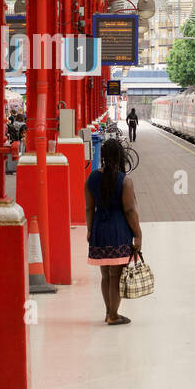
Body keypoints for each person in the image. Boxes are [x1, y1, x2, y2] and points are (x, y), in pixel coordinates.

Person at [84, 138, 142, 326]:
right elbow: (129, 210)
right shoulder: (125, 181)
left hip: (99, 229)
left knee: (106, 275)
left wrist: (89, 230)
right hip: (118, 230)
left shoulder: (91, 178)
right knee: (116, 274)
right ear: (120, 156)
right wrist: (138, 235)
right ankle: (113, 315)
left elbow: (88, 209)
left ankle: (109, 311)